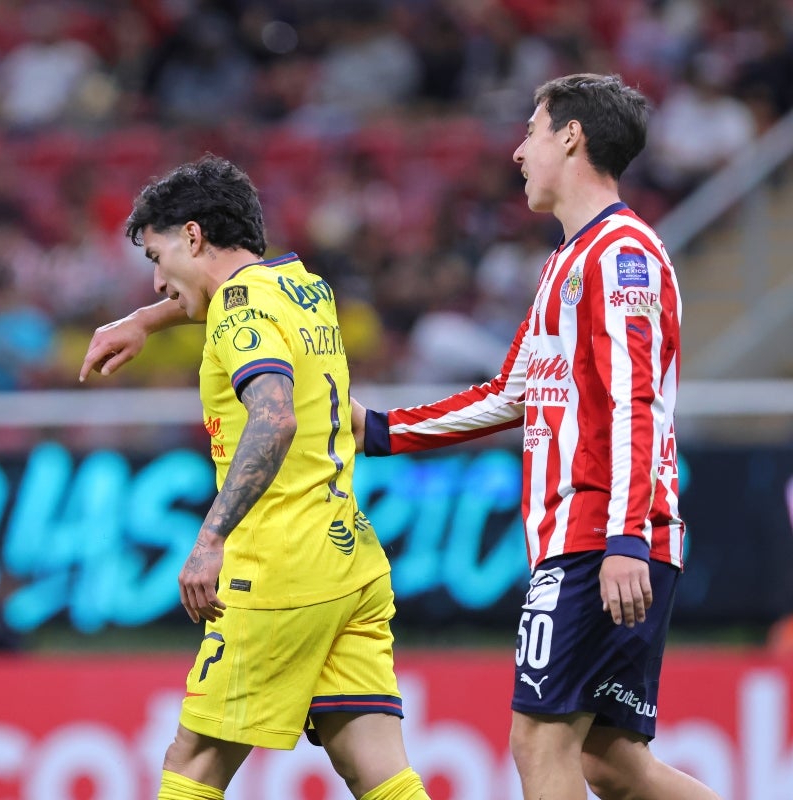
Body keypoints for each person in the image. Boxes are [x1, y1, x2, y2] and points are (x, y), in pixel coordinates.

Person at [349, 75, 719, 799]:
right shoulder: (564, 264)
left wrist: (623, 541)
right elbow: (513, 394)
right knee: (612, 763)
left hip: (599, 536)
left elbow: (634, 404)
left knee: (538, 741)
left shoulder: (620, 256)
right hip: (587, 536)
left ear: (571, 137)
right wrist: (382, 430)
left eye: (532, 131)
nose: (518, 152)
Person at [82, 155, 429, 800]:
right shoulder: (302, 286)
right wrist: (143, 322)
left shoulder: (240, 313)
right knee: (375, 767)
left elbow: (272, 420)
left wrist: (210, 540)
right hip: (350, 561)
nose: (157, 282)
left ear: (192, 236)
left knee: (195, 762)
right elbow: (226, 300)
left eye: (158, 258)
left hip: (277, 567)